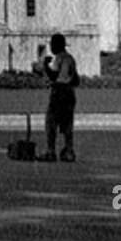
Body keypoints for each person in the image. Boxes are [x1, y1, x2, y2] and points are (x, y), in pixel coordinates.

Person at [38, 33, 78, 163]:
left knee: (51, 122)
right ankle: (69, 151)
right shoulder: (71, 58)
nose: (51, 47)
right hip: (70, 93)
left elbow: (54, 76)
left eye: (52, 45)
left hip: (59, 92)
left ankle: (51, 151)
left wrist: (45, 66)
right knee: (67, 124)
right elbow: (76, 80)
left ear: (57, 45)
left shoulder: (59, 58)